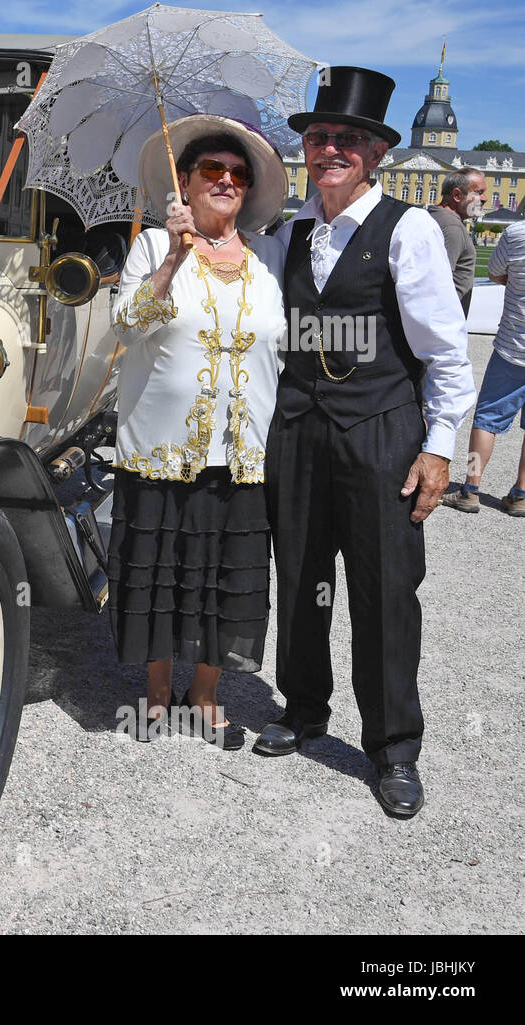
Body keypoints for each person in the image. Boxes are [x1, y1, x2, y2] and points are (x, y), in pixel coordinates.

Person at [256, 68, 475, 817]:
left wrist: (439, 448)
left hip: (381, 432)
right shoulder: (286, 234)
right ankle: (303, 706)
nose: (332, 149)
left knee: (384, 593)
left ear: (379, 152)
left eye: (349, 139)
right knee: (302, 577)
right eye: (320, 138)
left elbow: (446, 355)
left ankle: (393, 748)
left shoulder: (408, 230)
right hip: (299, 433)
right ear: (307, 152)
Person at [107, 114, 289, 749]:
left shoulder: (270, 258)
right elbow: (126, 328)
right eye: (211, 170)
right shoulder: (155, 248)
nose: (226, 181)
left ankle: (205, 694)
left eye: (237, 174)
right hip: (161, 450)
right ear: (183, 183)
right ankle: (158, 692)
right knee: (160, 570)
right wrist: (176, 257)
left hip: (243, 452)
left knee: (224, 575)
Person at [443, 213, 525, 516]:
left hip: (512, 346)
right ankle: (521, 492)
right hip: (513, 344)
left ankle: (471, 486)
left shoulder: (516, 233)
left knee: (486, 419)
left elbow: (494, 272)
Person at [429, 170, 486, 315]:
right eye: (478, 193)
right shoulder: (452, 227)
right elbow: (437, 282)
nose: (485, 198)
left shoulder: (434, 216)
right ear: (457, 195)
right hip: (444, 319)